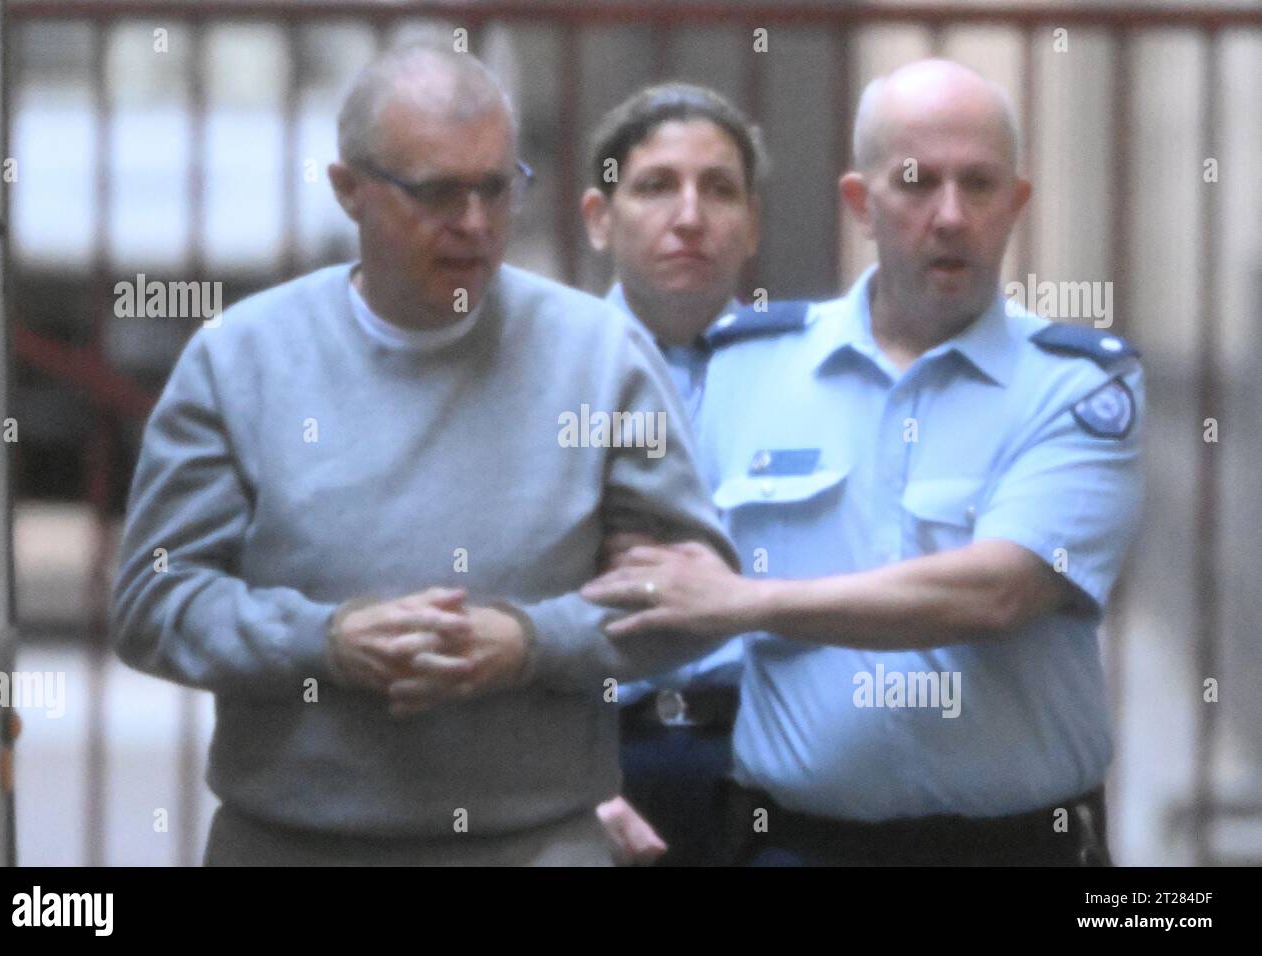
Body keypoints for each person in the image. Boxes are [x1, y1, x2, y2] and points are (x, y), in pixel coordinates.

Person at [110, 45, 735, 867]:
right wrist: (322, 642)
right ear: (349, 190)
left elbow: (693, 592)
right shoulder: (243, 360)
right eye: (438, 192)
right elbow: (154, 601)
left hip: (534, 841)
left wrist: (529, 643)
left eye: (497, 187)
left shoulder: (598, 356)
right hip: (292, 843)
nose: (475, 223)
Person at [582, 59, 1144, 866]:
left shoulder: (1079, 384)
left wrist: (749, 601)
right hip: (790, 843)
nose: (950, 215)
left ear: (1016, 204)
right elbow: (617, 587)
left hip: (1020, 847)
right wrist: (580, 781)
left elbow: (1000, 590)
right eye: (916, 182)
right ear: (859, 203)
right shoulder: (743, 367)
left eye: (979, 185)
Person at [580, 83, 764, 866]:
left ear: (751, 224)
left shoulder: (815, 376)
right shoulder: (541, 370)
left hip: (765, 762)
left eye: (719, 189)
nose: (690, 215)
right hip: (595, 752)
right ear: (599, 217)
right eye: (656, 186)